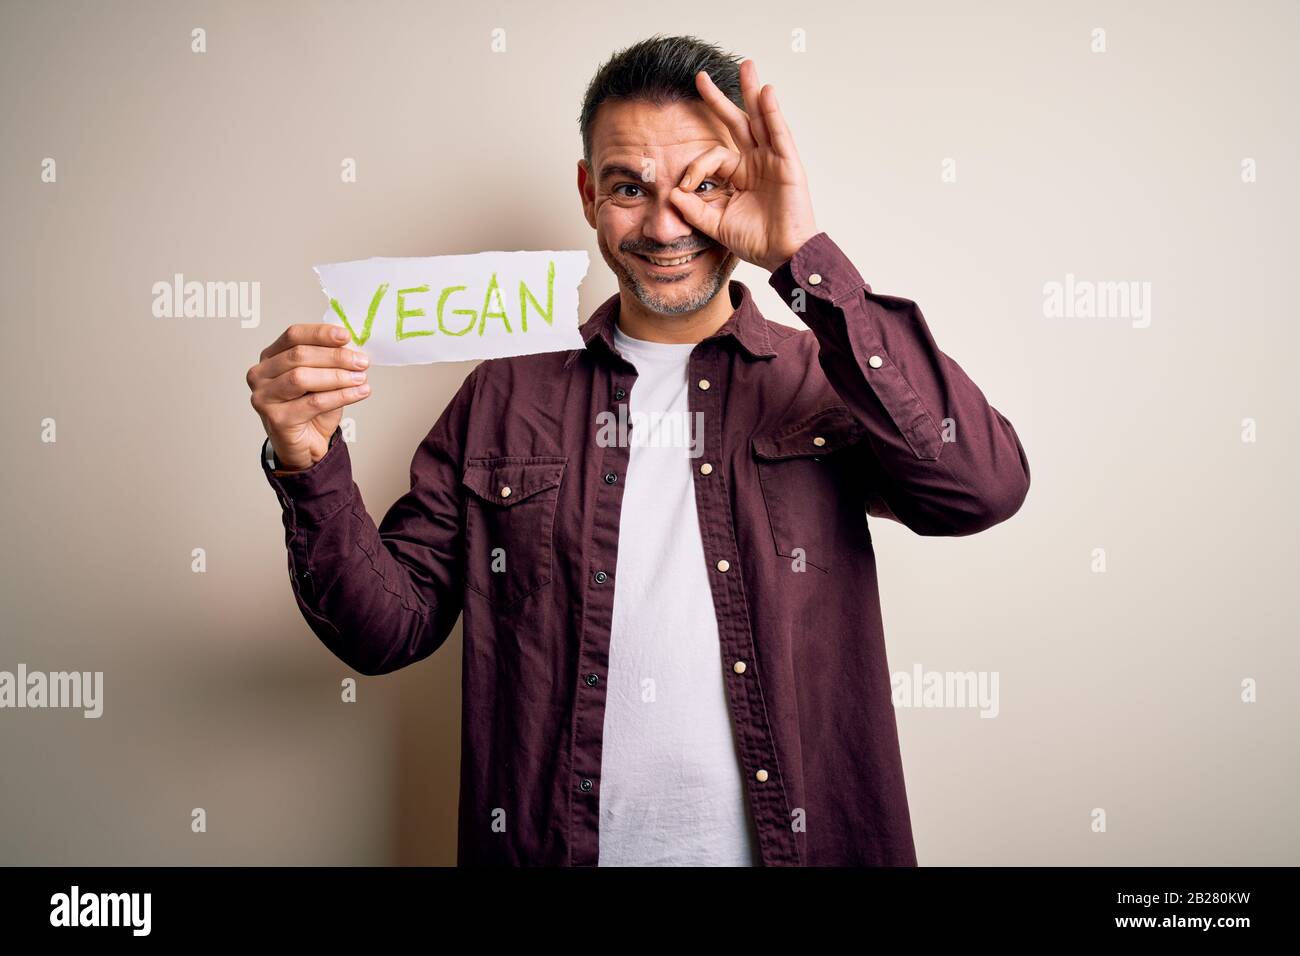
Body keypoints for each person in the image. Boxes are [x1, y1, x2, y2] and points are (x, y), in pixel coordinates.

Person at [244, 34, 1031, 867]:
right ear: (588, 193)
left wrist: (804, 260)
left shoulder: (822, 382)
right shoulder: (504, 396)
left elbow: (982, 490)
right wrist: (308, 462)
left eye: (705, 185)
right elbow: (385, 630)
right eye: (629, 187)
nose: (665, 225)